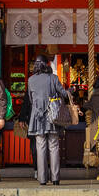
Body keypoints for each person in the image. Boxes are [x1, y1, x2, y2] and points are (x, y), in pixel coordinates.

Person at [27, 55, 69, 186]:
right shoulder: (53, 78)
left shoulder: (31, 80)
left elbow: (30, 99)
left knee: (40, 147)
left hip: (37, 117)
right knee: (54, 146)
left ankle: (42, 179)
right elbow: (64, 94)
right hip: (52, 116)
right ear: (47, 65)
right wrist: (70, 91)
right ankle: (55, 178)